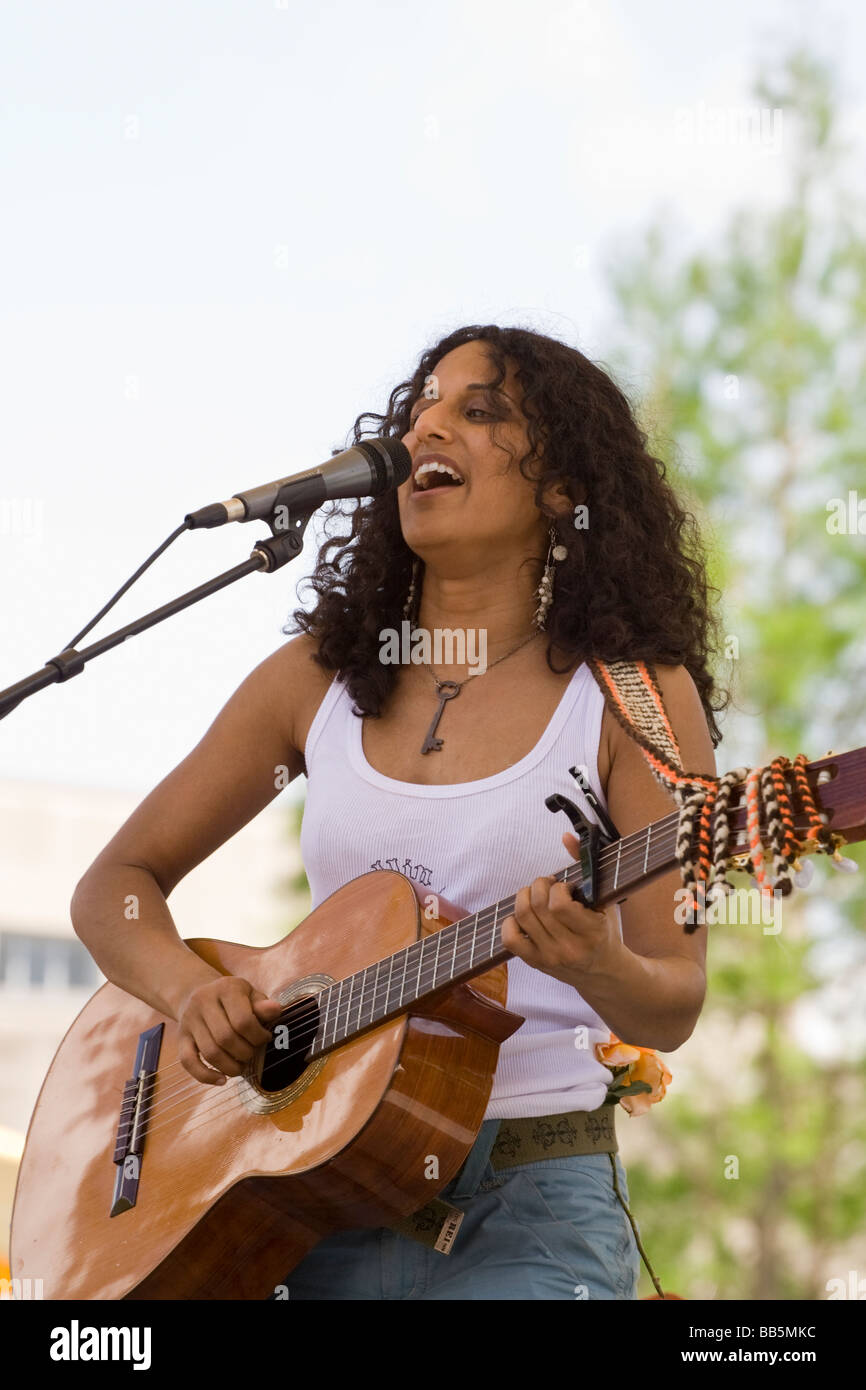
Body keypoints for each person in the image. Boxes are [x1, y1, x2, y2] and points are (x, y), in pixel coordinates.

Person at [71, 323, 723, 1301]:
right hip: (302, 1197)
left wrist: (600, 963)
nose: (429, 424)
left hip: (529, 1204)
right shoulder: (315, 681)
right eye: (421, 405)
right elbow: (113, 889)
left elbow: (671, 1000)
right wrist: (188, 993)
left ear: (561, 488)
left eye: (479, 409)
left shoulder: (632, 694)